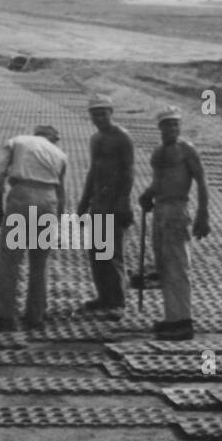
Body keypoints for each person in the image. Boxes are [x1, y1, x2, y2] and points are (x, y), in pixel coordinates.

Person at [0, 125, 67, 331]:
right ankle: (35, 315)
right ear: (54, 139)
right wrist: (57, 221)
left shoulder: (18, 141)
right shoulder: (60, 154)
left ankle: (5, 315)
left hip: (22, 198)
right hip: (48, 201)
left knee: (10, 260)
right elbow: (61, 192)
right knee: (40, 262)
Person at [138, 106, 210, 340]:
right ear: (160, 127)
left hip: (178, 210)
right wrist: (148, 194)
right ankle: (172, 318)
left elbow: (201, 181)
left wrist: (203, 213)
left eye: (175, 124)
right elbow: (159, 181)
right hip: (161, 210)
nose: (172, 129)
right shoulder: (158, 153)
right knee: (165, 267)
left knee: (178, 265)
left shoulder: (186, 150)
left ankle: (182, 321)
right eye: (167, 124)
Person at [76, 94, 134, 318]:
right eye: (95, 113)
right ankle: (104, 296)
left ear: (111, 113)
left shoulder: (122, 137)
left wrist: (124, 201)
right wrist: (83, 201)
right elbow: (93, 171)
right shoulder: (95, 138)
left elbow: (128, 170)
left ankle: (117, 301)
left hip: (114, 201)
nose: (99, 117)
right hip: (98, 202)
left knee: (112, 252)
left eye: (103, 112)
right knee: (97, 252)